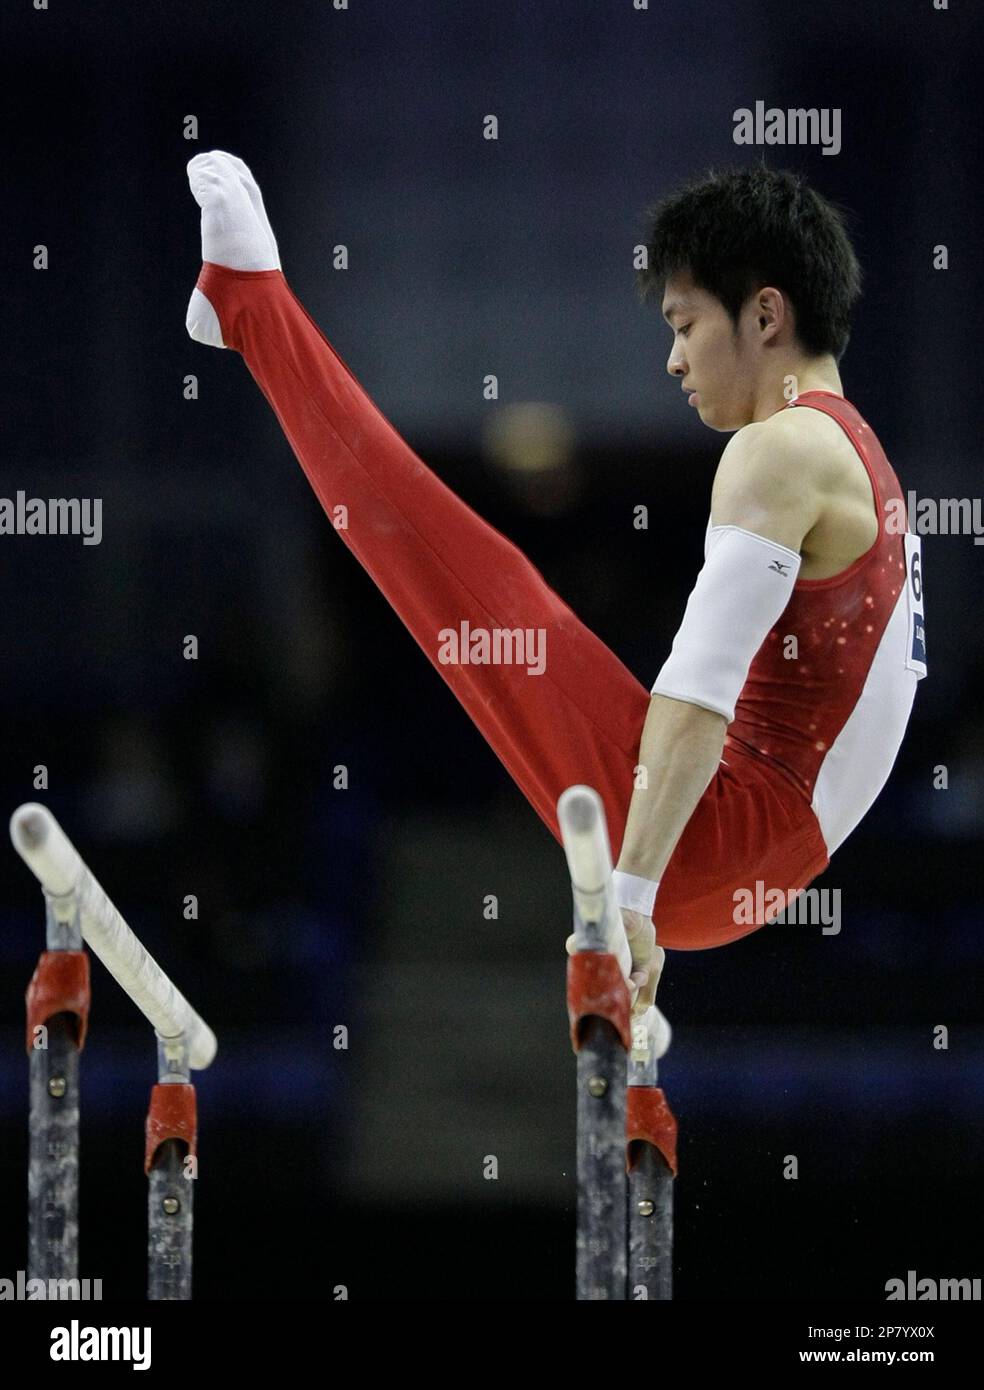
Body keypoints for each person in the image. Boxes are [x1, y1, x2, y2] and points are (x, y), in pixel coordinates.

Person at [185, 154, 925, 1016]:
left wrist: (638, 898)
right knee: (492, 597)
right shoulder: (865, 459)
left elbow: (696, 693)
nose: (674, 362)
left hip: (723, 839)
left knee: (472, 581)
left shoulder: (783, 449)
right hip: (761, 856)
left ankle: (251, 306)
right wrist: (677, 889)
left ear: (766, 314)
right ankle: (246, 309)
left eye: (685, 326)